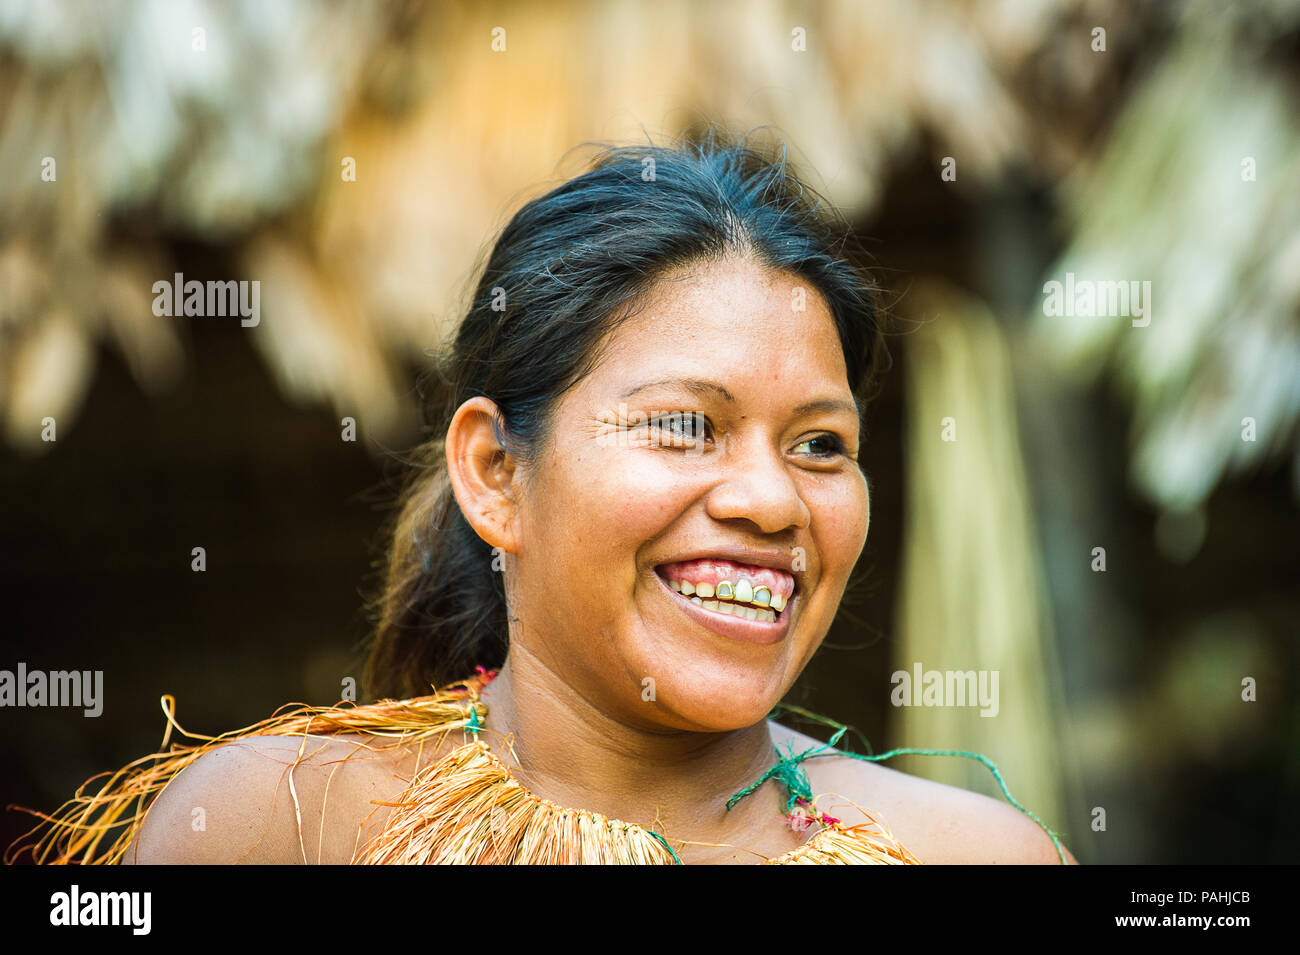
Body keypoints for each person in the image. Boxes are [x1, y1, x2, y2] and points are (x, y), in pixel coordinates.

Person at [9, 130, 1076, 865]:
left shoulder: (971, 854)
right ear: (495, 473)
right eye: (684, 425)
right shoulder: (281, 823)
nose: (769, 498)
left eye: (818, 443)